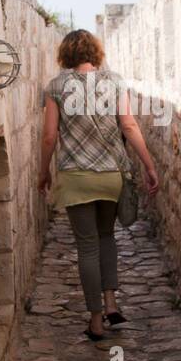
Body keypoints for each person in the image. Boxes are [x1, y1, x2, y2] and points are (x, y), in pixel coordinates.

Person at [38, 29, 159, 340]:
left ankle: (94, 320)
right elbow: (129, 125)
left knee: (87, 246)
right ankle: (111, 303)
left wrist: (43, 172)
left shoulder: (56, 87)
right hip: (110, 175)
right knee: (107, 238)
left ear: (65, 54)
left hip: (76, 177)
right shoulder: (115, 81)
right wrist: (148, 164)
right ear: (95, 52)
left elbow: (50, 136)